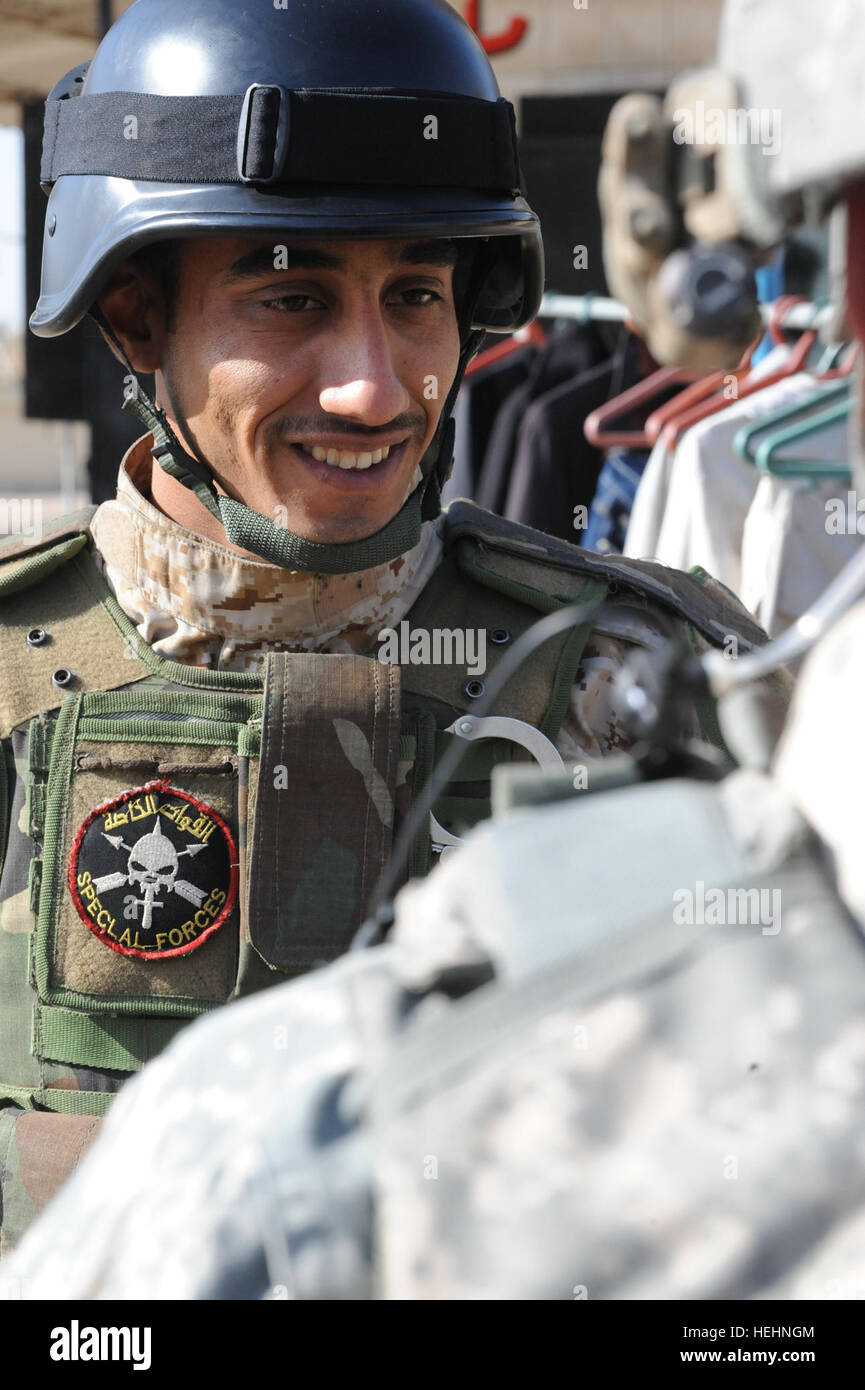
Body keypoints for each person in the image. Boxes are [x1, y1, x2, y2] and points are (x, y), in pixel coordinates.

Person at [0, 0, 787, 1257]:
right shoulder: (10, 673)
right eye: (291, 299)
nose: (374, 383)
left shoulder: (642, 677)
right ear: (134, 320)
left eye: (414, 295)